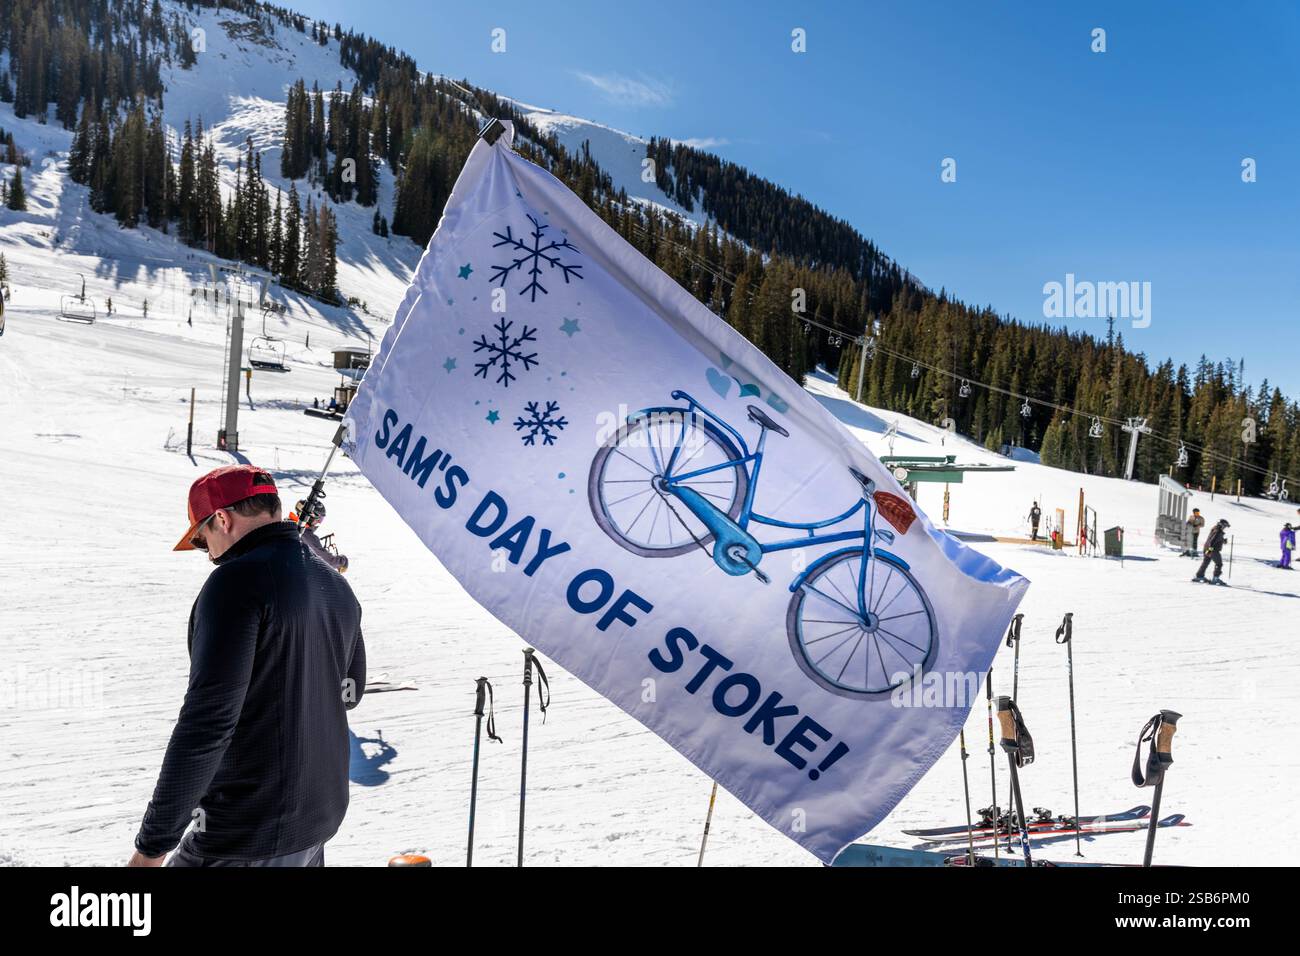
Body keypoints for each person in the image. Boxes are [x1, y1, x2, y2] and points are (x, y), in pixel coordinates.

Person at [129, 465, 365, 867]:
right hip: (315, 825)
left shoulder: (235, 583)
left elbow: (208, 723)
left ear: (221, 518)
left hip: (245, 835)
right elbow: (351, 691)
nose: (210, 555)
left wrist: (153, 846)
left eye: (203, 542)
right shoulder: (335, 583)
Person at [291, 497, 350, 573]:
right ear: (310, 518)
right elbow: (328, 562)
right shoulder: (306, 534)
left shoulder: (288, 524)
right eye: (319, 520)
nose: (318, 523)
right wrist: (343, 561)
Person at [1193, 518, 1230, 584]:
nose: (1224, 528)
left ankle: (1199, 575)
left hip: (1207, 549)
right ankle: (1215, 578)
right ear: (1221, 525)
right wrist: (1210, 551)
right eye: (1225, 526)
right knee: (1219, 564)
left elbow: (1214, 539)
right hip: (1213, 550)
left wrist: (1223, 540)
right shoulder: (1218, 531)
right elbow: (1212, 541)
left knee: (1206, 562)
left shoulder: (1215, 530)